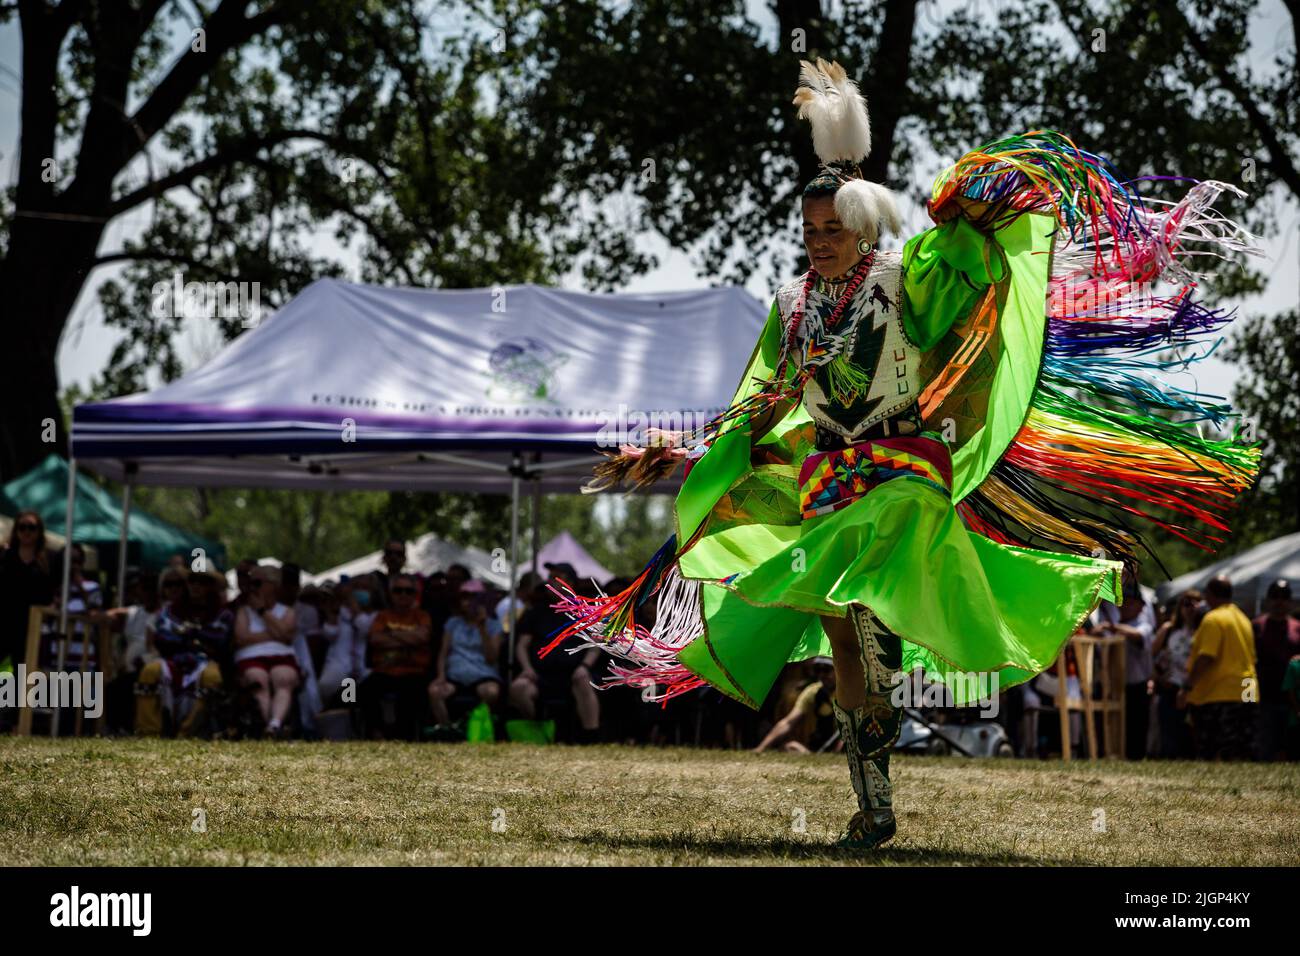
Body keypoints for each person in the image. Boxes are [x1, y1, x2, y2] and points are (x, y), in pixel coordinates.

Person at [545, 60, 1260, 847]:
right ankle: (875, 803)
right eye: (810, 232)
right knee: (845, 644)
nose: (820, 244)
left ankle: (890, 730)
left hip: (902, 475)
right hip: (827, 482)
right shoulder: (792, 306)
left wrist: (973, 199)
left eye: (833, 230)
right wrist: (687, 449)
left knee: (865, 610)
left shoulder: (906, 279)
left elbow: (973, 257)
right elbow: (769, 400)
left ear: (863, 228)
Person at [136, 565, 231, 737]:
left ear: (210, 586)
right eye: (192, 581)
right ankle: (148, 732)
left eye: (201, 582)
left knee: (212, 678)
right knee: (150, 672)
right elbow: (163, 638)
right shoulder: (171, 610)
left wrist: (187, 636)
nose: (196, 586)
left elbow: (219, 642)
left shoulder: (222, 613)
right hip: (174, 659)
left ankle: (189, 732)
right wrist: (194, 639)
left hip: (205, 662)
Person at [510, 565, 601, 743]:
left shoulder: (585, 611)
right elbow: (521, 645)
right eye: (549, 577)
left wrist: (585, 666)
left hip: (574, 673)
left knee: (583, 680)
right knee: (518, 688)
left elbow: (596, 644)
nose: (549, 582)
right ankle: (540, 727)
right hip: (540, 675)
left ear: (570, 584)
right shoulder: (536, 612)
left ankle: (591, 737)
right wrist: (527, 669)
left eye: (555, 578)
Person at [1183, 576, 1258, 761]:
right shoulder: (1243, 618)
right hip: (1248, 688)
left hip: (1223, 690)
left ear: (1210, 595)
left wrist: (1188, 686)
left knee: (1217, 747)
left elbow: (1207, 656)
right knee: (1241, 746)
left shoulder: (1213, 618)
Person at [361, 573, 432, 739]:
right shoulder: (382, 616)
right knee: (364, 690)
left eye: (408, 591)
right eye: (398, 590)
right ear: (390, 593)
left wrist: (390, 633)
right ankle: (377, 734)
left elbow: (423, 637)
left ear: (415, 594)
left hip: (414, 672)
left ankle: (403, 739)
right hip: (384, 672)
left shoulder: (422, 616)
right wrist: (409, 639)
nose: (403, 595)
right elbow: (375, 639)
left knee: (410, 697)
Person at [231, 565, 299, 738]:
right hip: (251, 658)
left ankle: (274, 725)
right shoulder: (244, 611)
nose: (252, 587)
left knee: (283, 678)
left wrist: (262, 612)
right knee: (257, 679)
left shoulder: (287, 611)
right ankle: (267, 726)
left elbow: (286, 635)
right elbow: (241, 638)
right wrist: (274, 634)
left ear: (273, 585)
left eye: (257, 583)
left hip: (282, 657)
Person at [1094, 576, 1157, 759]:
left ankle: (1136, 757)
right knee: (1114, 724)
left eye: (1131, 603)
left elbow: (1138, 635)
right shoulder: (1112, 626)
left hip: (1137, 684)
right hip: (1113, 684)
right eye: (1124, 603)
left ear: (1141, 607)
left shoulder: (1142, 625)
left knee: (1136, 724)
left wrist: (1113, 628)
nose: (1127, 607)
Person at [429, 580, 503, 728]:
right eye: (465, 596)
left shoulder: (494, 625)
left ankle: (478, 726)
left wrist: (482, 628)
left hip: (483, 674)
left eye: (474, 596)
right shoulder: (453, 623)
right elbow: (444, 653)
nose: (468, 601)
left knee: (491, 692)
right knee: (434, 691)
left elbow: (492, 658)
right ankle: (447, 728)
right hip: (455, 675)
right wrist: (441, 676)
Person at [0, 510, 54, 674]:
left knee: (23, 673)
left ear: (39, 531)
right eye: (22, 527)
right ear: (16, 531)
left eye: (31, 527)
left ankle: (19, 700)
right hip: (3, 620)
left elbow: (51, 594)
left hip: (31, 624)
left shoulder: (47, 561)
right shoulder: (4, 556)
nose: (26, 532)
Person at [1252, 579, 1300, 760]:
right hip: (1264, 699)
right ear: (1268, 600)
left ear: (1290, 601)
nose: (1279, 601)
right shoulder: (1256, 626)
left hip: (1292, 700)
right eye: (1275, 596)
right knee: (1265, 749)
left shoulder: (1297, 628)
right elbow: (1248, 665)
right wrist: (1247, 698)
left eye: (1284, 596)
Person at [1151, 589, 1201, 759]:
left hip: (1195, 691)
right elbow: (1151, 655)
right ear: (1179, 608)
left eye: (1196, 603)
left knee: (1191, 736)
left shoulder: (1204, 629)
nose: (1191, 607)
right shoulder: (1169, 629)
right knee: (1169, 734)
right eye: (1186, 603)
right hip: (1169, 688)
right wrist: (1157, 678)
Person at [754, 658, 838, 753]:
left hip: (846, 744)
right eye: (818, 670)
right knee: (791, 746)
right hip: (822, 747)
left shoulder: (848, 693)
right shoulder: (814, 691)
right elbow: (788, 722)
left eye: (827, 670)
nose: (822, 675)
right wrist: (761, 748)